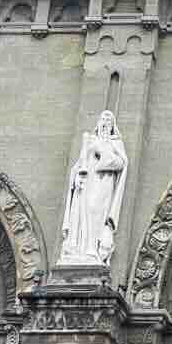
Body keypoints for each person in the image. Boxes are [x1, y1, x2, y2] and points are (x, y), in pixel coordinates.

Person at [60, 110, 129, 265]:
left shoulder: (115, 143)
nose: (105, 123)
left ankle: (92, 247)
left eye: (109, 121)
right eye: (103, 119)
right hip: (87, 183)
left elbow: (121, 163)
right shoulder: (90, 140)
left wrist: (101, 151)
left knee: (95, 211)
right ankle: (80, 248)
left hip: (104, 183)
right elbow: (80, 163)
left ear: (112, 126)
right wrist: (77, 176)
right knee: (82, 212)